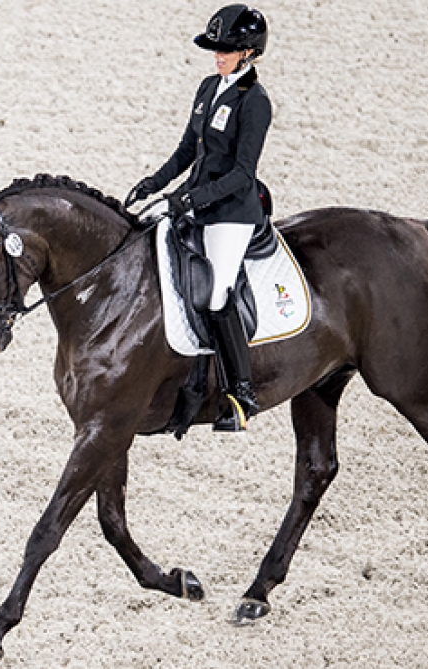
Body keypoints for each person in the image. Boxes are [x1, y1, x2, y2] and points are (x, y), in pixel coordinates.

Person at [127, 4, 271, 432]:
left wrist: (189, 200)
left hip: (230, 213)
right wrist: (154, 183)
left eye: (226, 50)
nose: (218, 56)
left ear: (248, 53)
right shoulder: (209, 87)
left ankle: (242, 393)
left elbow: (243, 173)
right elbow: (188, 150)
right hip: (194, 200)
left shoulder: (256, 103)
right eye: (215, 49)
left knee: (217, 294)